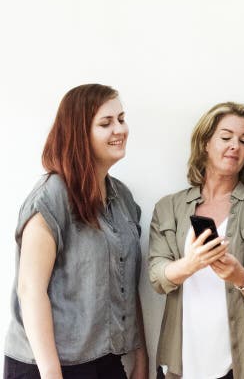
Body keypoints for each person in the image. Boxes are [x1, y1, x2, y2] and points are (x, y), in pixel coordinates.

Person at [4, 84, 147, 379]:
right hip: (46, 365)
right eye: (106, 123)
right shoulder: (52, 195)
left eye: (121, 118)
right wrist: (51, 373)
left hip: (104, 360)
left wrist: (140, 356)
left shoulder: (122, 198)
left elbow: (127, 286)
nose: (119, 129)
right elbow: (31, 291)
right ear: (79, 132)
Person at [148, 102, 244, 379]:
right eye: (226, 137)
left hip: (242, 365)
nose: (235, 146)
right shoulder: (168, 208)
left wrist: (239, 275)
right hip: (180, 362)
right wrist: (191, 264)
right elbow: (156, 278)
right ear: (206, 143)